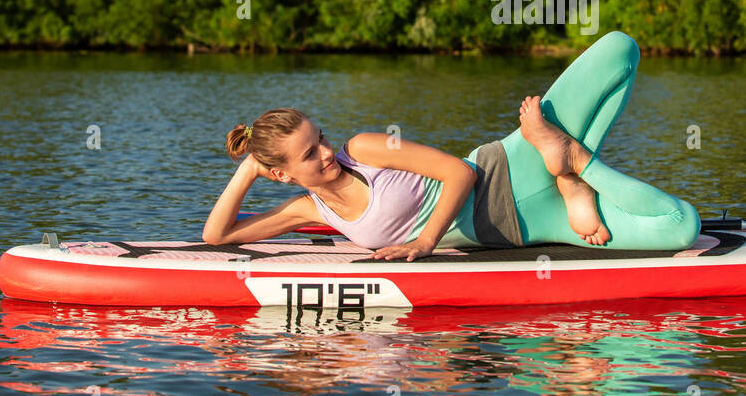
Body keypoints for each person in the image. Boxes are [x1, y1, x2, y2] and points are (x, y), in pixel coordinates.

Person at [202, 31, 700, 260]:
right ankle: (572, 168)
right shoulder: (309, 211)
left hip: (512, 167)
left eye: (321, 139)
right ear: (284, 173)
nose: (327, 152)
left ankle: (561, 160)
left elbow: (460, 174)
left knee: (619, 48)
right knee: (683, 229)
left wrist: (424, 242)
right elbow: (217, 238)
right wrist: (248, 169)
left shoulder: (366, 149)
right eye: (309, 154)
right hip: (522, 228)